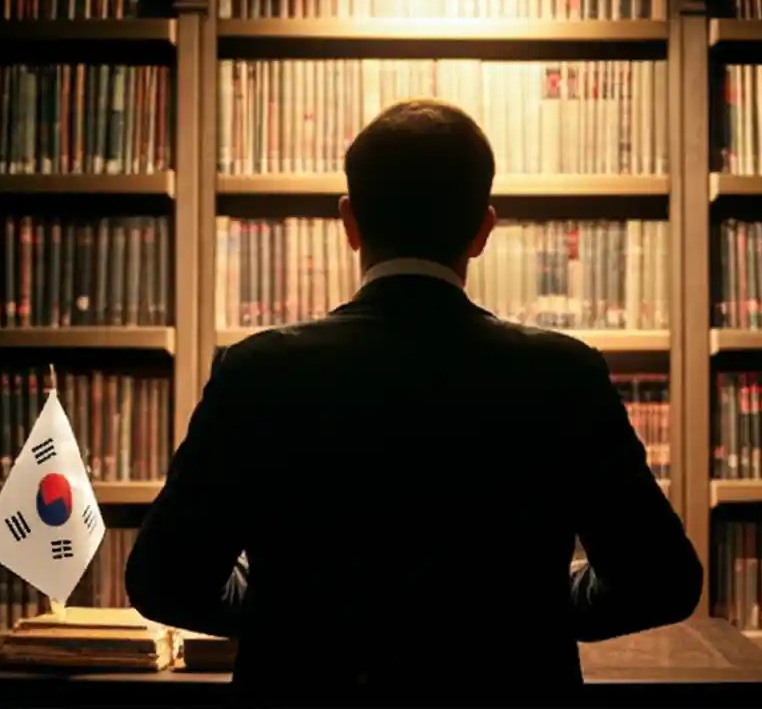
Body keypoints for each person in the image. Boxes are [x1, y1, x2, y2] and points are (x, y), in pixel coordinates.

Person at [125, 99, 703, 707]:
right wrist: (528, 611)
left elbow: (165, 582)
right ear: (483, 230)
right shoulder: (562, 373)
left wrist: (284, 608)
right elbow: (660, 582)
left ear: (349, 222)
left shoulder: (259, 370)